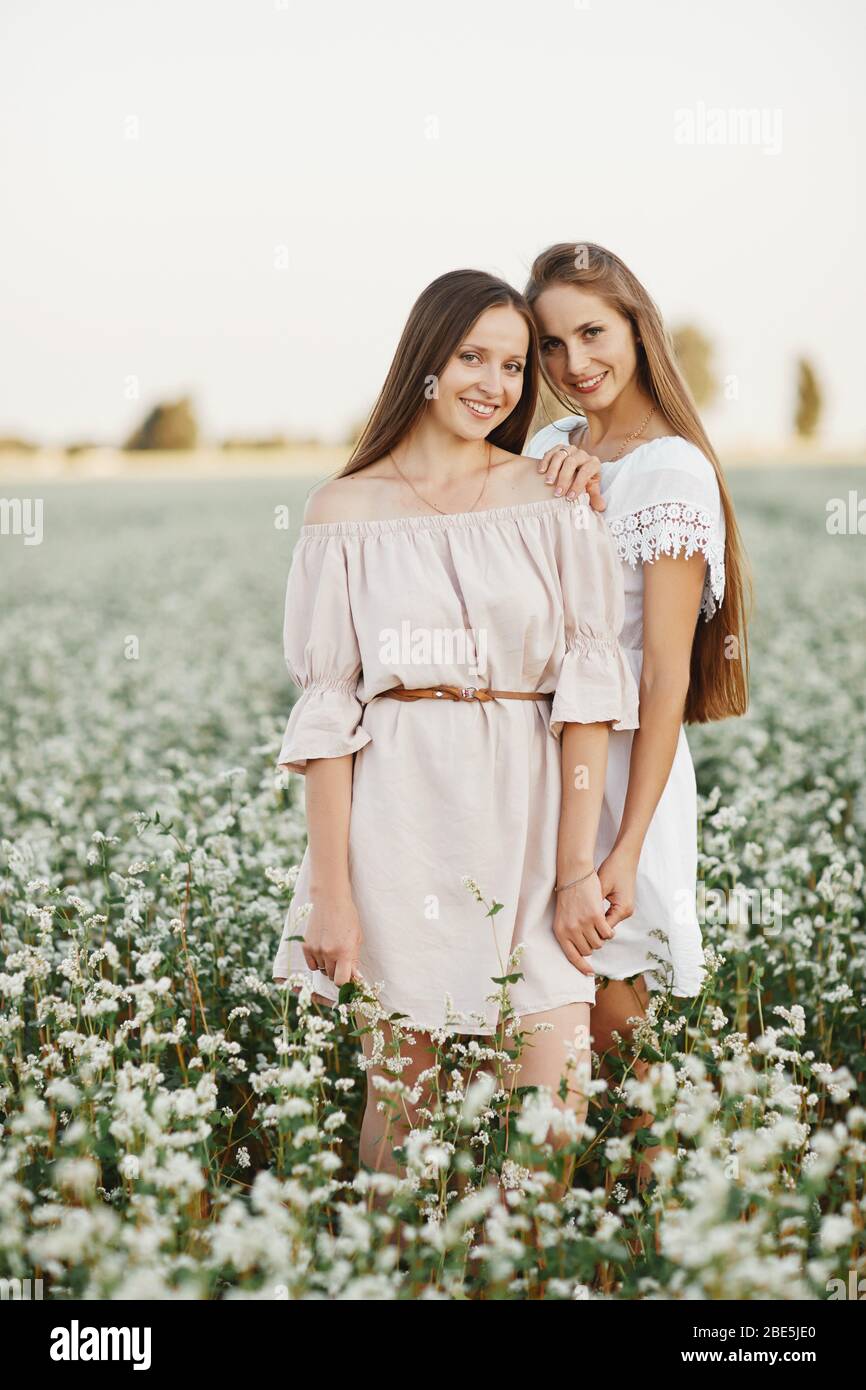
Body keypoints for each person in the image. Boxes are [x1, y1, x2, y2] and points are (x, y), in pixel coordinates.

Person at [272, 268, 638, 1181]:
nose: (493, 383)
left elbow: (585, 699)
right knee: (403, 1116)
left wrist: (574, 870)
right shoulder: (341, 511)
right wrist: (331, 894)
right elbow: (326, 720)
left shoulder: (555, 498)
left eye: (514, 366)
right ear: (424, 361)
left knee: (554, 1113)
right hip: (398, 829)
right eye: (472, 355)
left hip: (527, 821)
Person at [522, 242, 751, 1180]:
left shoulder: (672, 472)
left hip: (627, 775)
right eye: (551, 344)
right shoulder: (544, 450)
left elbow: (664, 679)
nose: (574, 364)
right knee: (543, 1012)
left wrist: (623, 849)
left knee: (621, 1022)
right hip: (538, 762)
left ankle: (675, 1226)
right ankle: (570, 1220)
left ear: (635, 328)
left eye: (592, 332)